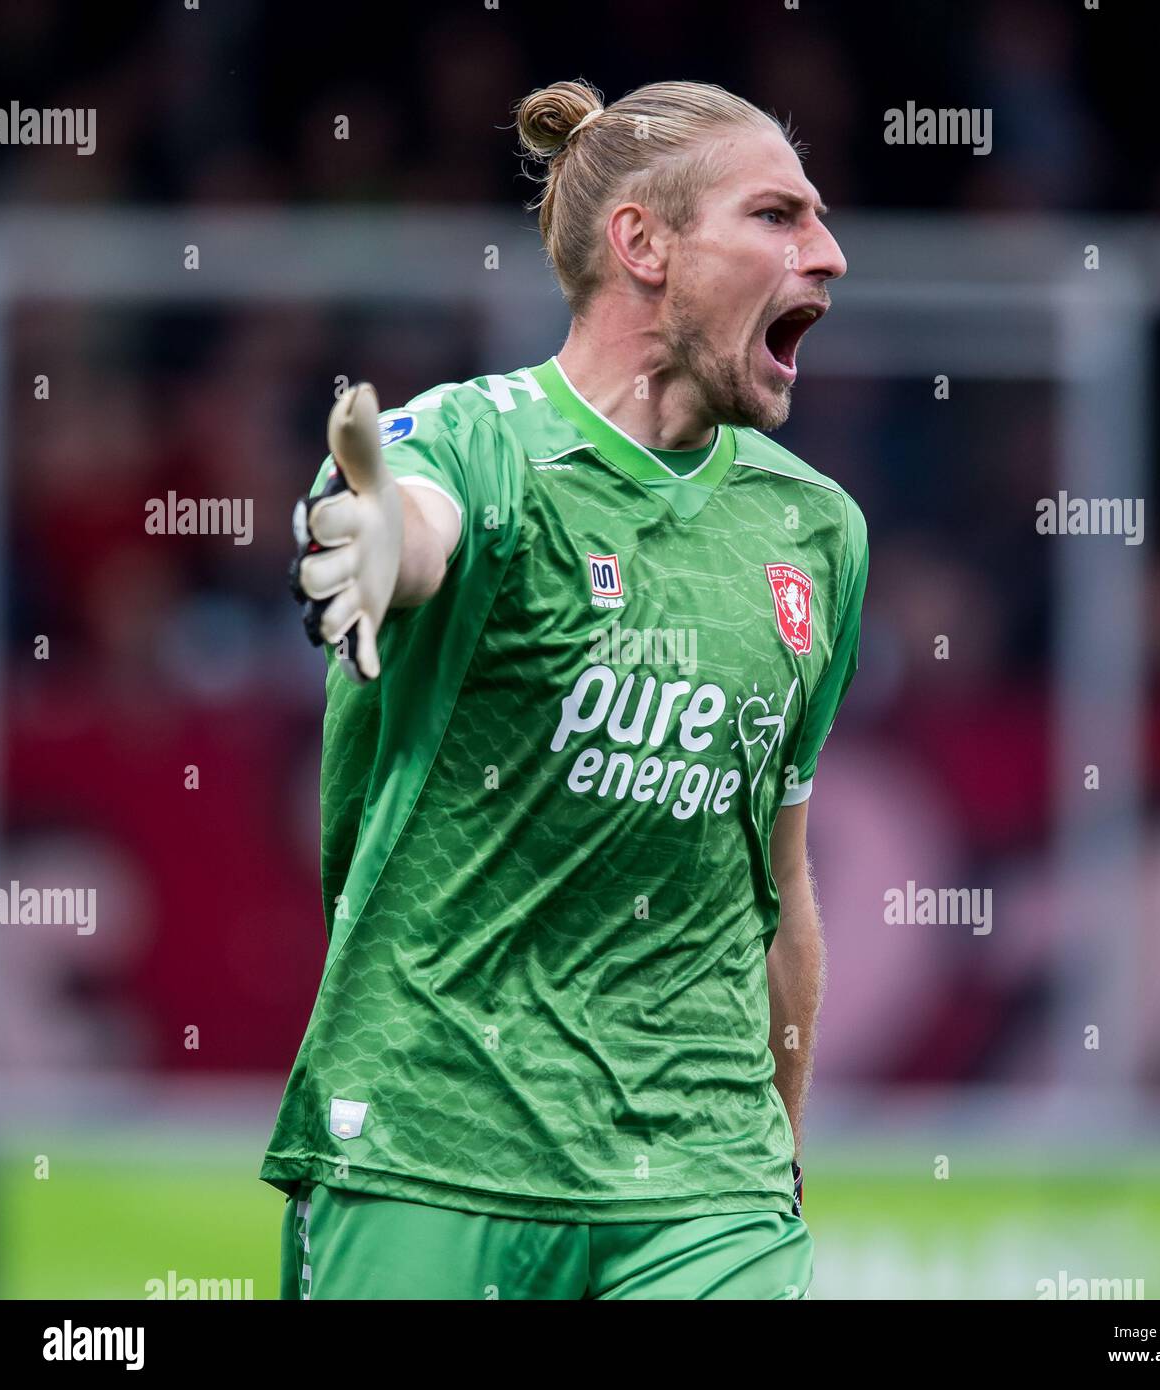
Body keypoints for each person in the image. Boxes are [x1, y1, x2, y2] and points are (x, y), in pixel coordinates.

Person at [264, 78, 868, 1300]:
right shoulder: (479, 444)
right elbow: (411, 514)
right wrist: (374, 536)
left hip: (706, 1186)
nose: (829, 254)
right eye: (777, 216)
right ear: (642, 243)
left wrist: (781, 1155)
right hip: (432, 1149)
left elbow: (782, 877)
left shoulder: (815, 531)